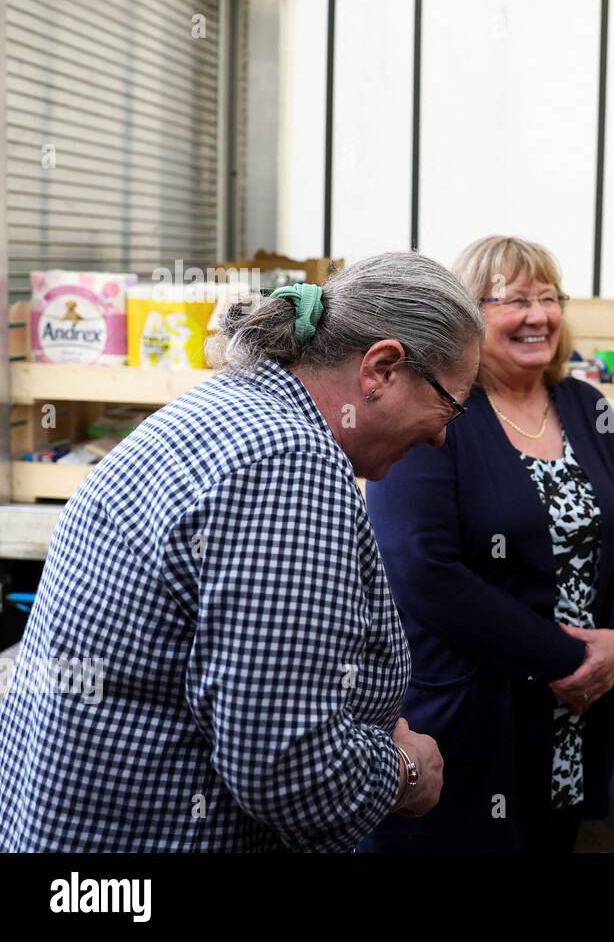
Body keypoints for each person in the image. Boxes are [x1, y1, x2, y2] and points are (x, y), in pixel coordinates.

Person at [0, 252, 482, 851]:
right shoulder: (287, 463)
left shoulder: (234, 409)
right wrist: (403, 772)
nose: (442, 434)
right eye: (449, 405)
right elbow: (284, 762)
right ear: (380, 368)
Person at [359, 236, 614, 853]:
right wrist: (566, 660)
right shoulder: (441, 409)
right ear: (468, 315)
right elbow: (422, 569)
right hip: (471, 714)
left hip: (572, 717)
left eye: (550, 297)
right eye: (515, 299)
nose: (539, 315)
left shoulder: (586, 406)